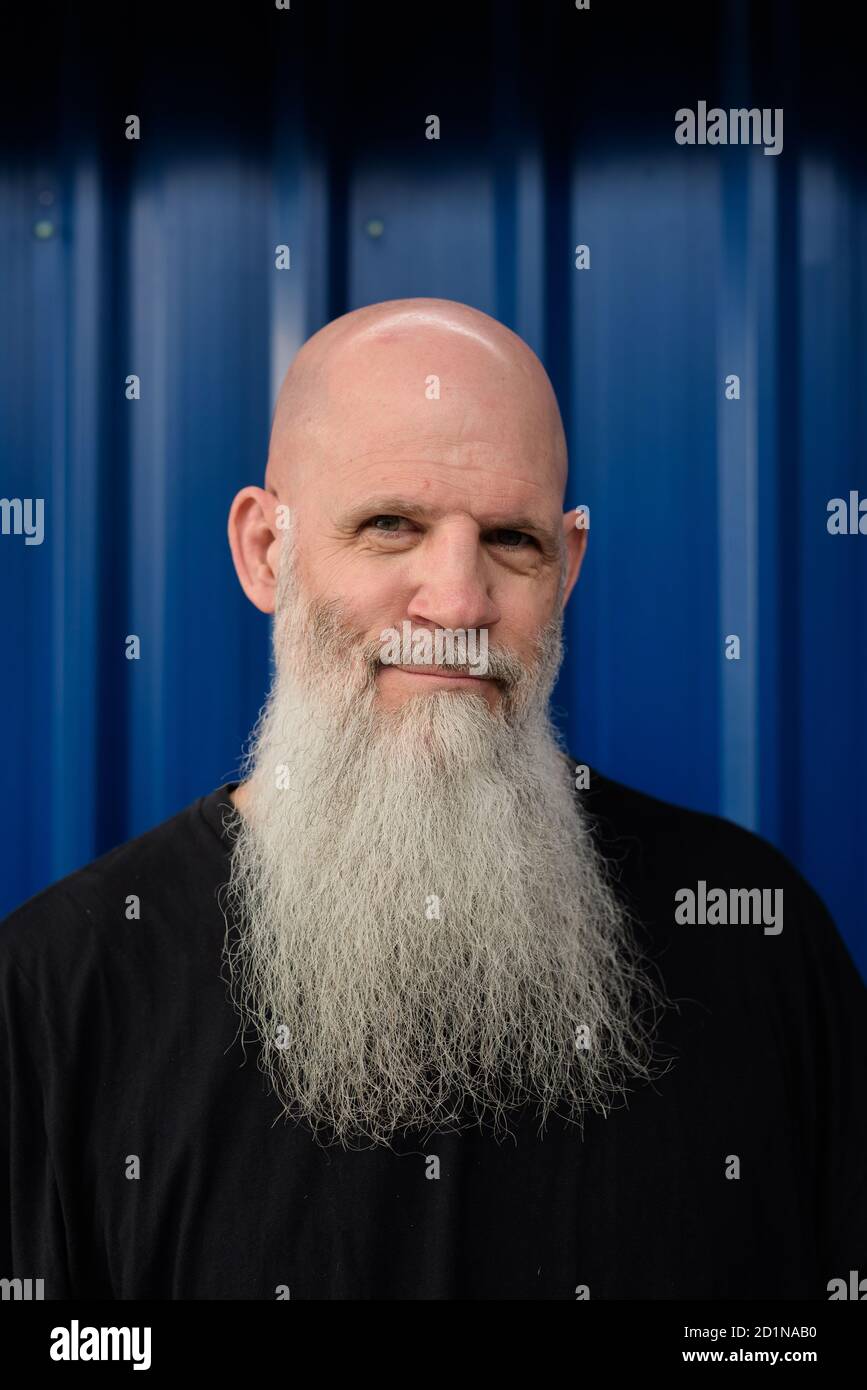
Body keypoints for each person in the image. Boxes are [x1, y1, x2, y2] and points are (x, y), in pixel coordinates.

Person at [1, 299, 865, 1300]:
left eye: (512, 540)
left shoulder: (753, 932)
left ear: (570, 567)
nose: (458, 601)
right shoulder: (57, 992)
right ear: (265, 550)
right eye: (391, 525)